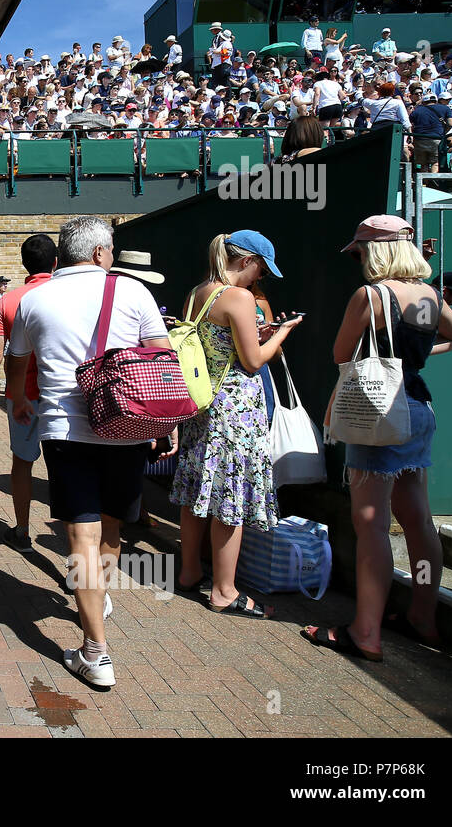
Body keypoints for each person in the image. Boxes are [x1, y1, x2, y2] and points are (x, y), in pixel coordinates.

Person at [5, 217, 174, 689]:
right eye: (112, 247)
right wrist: (166, 423)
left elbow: (18, 362)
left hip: (64, 429)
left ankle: (96, 654)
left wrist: (18, 400)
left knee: (81, 535)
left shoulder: (33, 300)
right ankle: (97, 598)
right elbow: (161, 361)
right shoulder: (134, 292)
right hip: (127, 425)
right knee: (113, 527)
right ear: (100, 252)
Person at [303, 217, 452, 660]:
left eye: (360, 251)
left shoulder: (371, 296)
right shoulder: (431, 295)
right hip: (419, 405)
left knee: (371, 523)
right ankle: (423, 617)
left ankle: (366, 633)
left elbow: (341, 355)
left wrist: (384, 354)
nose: (359, 260)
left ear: (376, 251)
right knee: (418, 519)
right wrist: (412, 357)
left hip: (380, 413)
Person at [171, 231, 301, 619]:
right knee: (230, 496)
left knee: (199, 488)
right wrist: (282, 332)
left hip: (203, 402)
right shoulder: (240, 297)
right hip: (236, 411)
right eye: (260, 268)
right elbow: (254, 362)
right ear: (246, 261)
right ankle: (224, 591)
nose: (259, 277)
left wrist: (256, 336)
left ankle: (189, 571)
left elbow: (216, 344)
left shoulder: (199, 292)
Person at [0, 234, 57, 551]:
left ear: (24, 264)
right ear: (56, 262)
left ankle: (22, 532)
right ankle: (73, 542)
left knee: (23, 461)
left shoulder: (9, 301)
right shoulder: (68, 294)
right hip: (64, 394)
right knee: (65, 466)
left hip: (22, 394)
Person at [410, 94, 452, 173]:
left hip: (420, 139)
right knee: (435, 162)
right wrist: (444, 132)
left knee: (423, 164)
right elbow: (450, 124)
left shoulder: (417, 110)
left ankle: (424, 183)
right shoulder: (445, 108)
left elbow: (410, 123)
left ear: (423, 102)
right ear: (436, 101)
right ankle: (432, 183)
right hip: (436, 138)